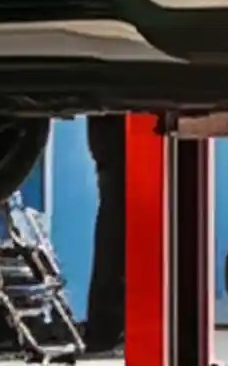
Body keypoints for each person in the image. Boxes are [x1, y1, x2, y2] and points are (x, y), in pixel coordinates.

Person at [84, 114, 126, 355]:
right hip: (118, 129)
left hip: (109, 129)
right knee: (115, 227)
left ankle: (105, 328)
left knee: (113, 225)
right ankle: (106, 329)